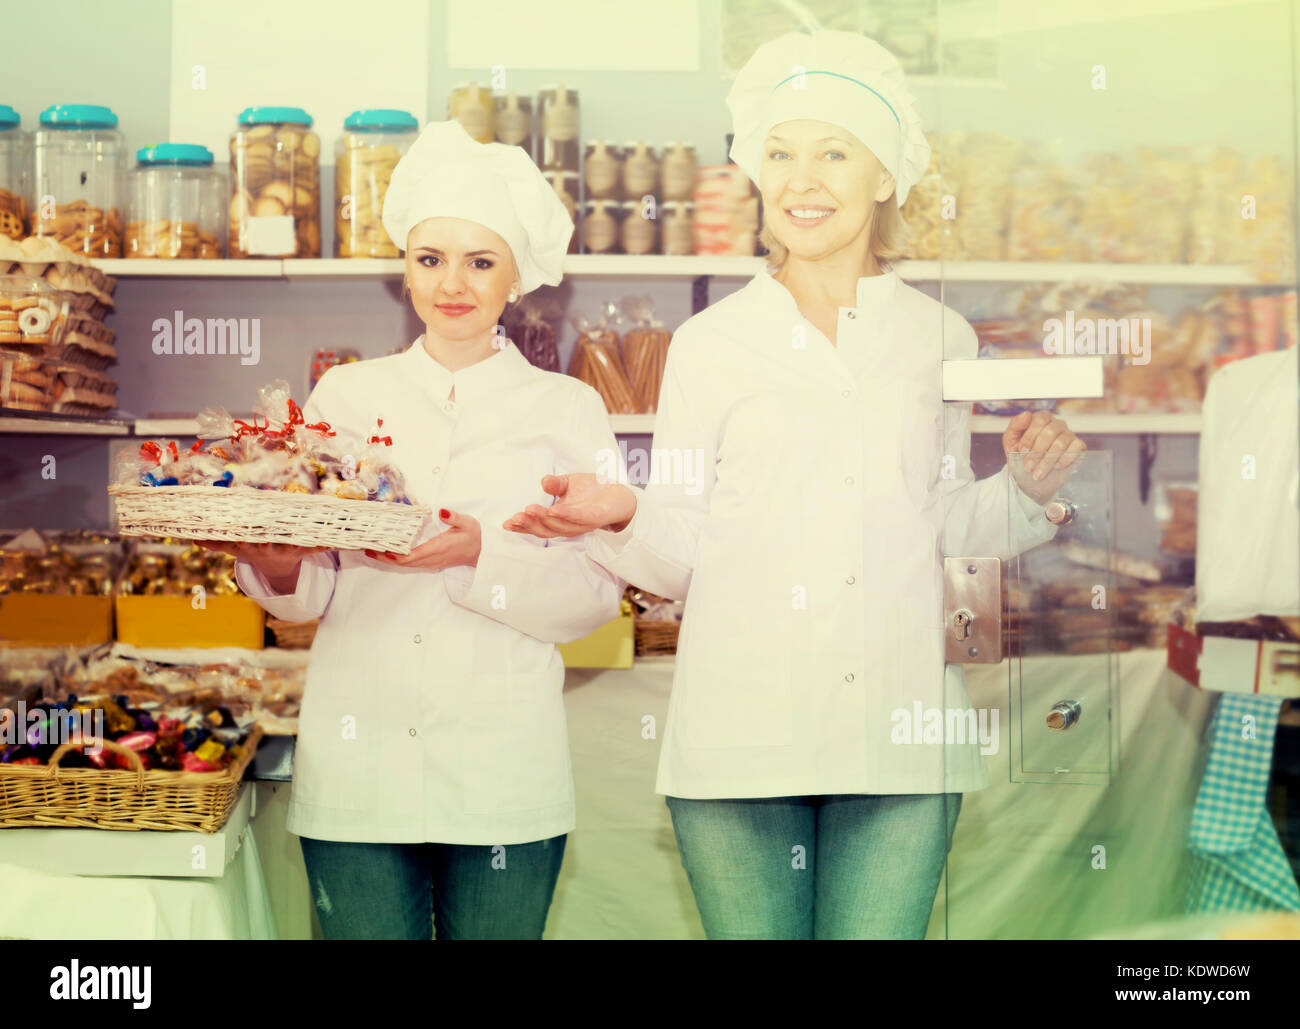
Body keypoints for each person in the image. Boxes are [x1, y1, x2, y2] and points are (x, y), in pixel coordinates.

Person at [504, 31, 1086, 939]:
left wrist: (1022, 486)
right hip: (743, 734)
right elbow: (690, 549)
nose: (801, 180)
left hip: (900, 731)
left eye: (833, 152)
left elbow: (943, 530)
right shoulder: (711, 343)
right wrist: (625, 513)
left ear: (885, 174)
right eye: (780, 153)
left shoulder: (941, 337)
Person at [200, 120, 625, 939]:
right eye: (430, 259)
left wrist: (480, 552)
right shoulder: (344, 398)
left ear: (516, 279)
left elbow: (593, 599)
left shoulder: (565, 408)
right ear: (404, 269)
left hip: (504, 771)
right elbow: (308, 595)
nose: (451, 284)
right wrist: (277, 563)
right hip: (361, 769)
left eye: (480, 261)